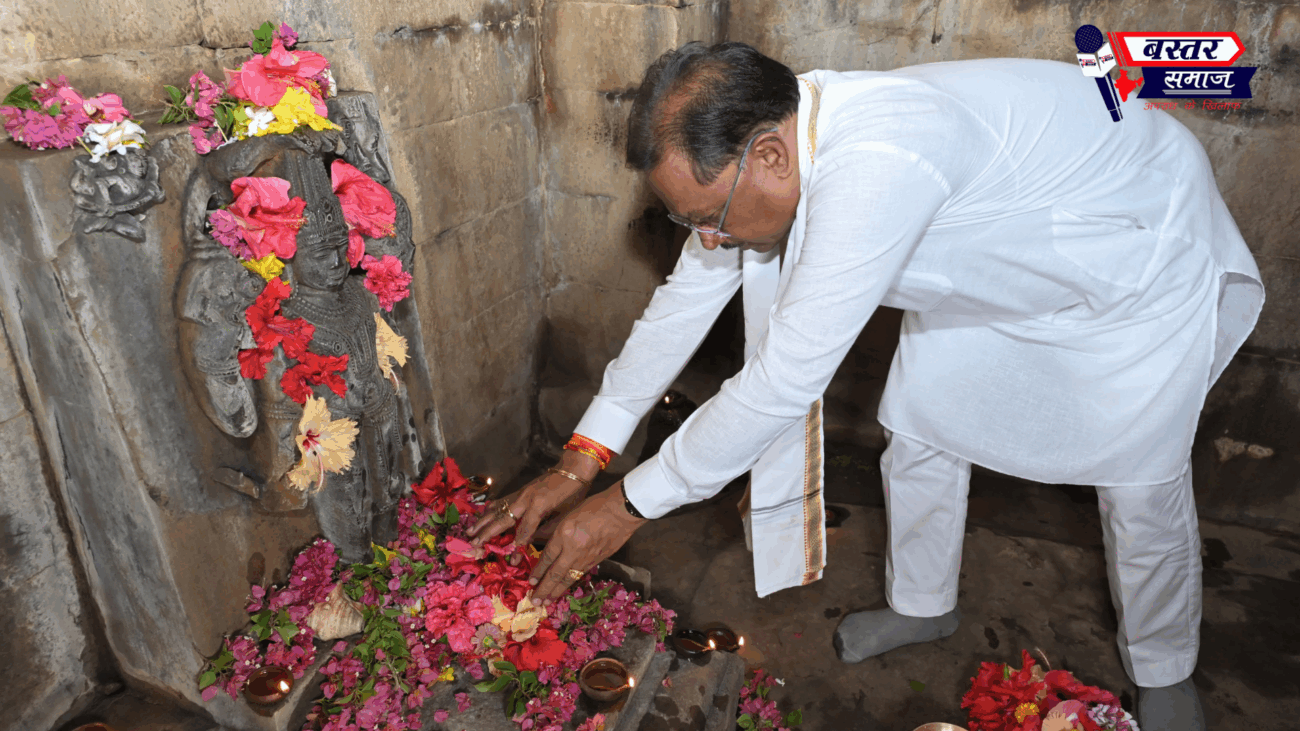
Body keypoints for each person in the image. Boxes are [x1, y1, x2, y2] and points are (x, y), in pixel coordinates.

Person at [469, 41, 1263, 731]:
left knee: (1137, 477)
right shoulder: (768, 145)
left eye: (710, 216)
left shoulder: (878, 163)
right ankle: (924, 603)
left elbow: (781, 382)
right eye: (690, 223)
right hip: (991, 258)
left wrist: (625, 504)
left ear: (770, 156)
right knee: (921, 428)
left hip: (1126, 251)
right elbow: (682, 304)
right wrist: (583, 456)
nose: (709, 240)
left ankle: (1164, 669)